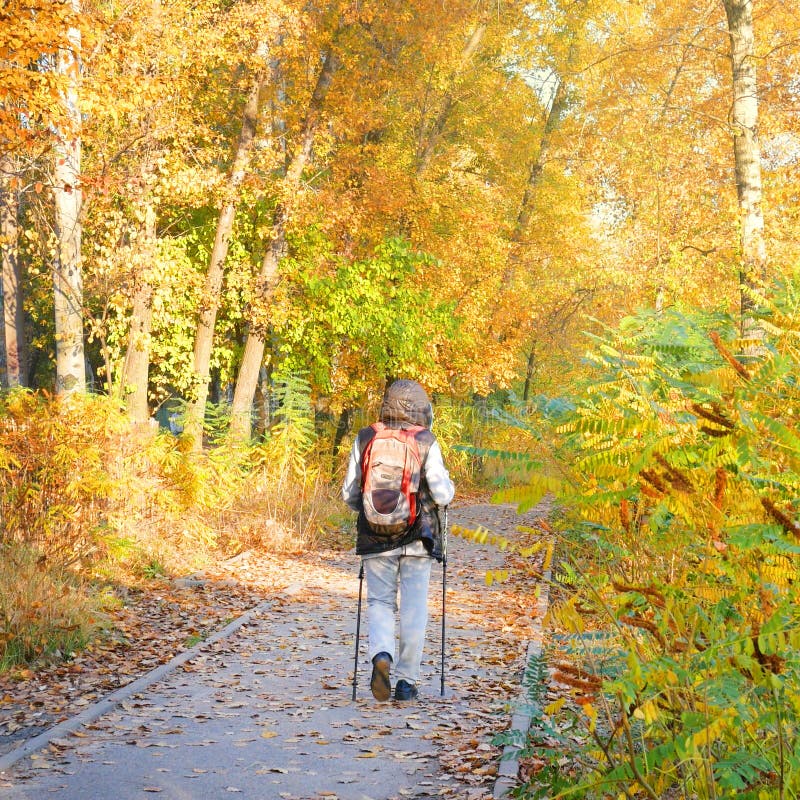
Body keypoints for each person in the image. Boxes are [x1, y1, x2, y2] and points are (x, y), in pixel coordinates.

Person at [342, 379, 455, 702]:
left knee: (379, 603)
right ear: (420, 408)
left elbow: (350, 493)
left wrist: (371, 512)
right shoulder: (425, 440)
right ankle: (406, 682)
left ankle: (382, 656)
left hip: (376, 537)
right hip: (419, 537)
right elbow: (442, 494)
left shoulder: (366, 437)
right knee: (414, 609)